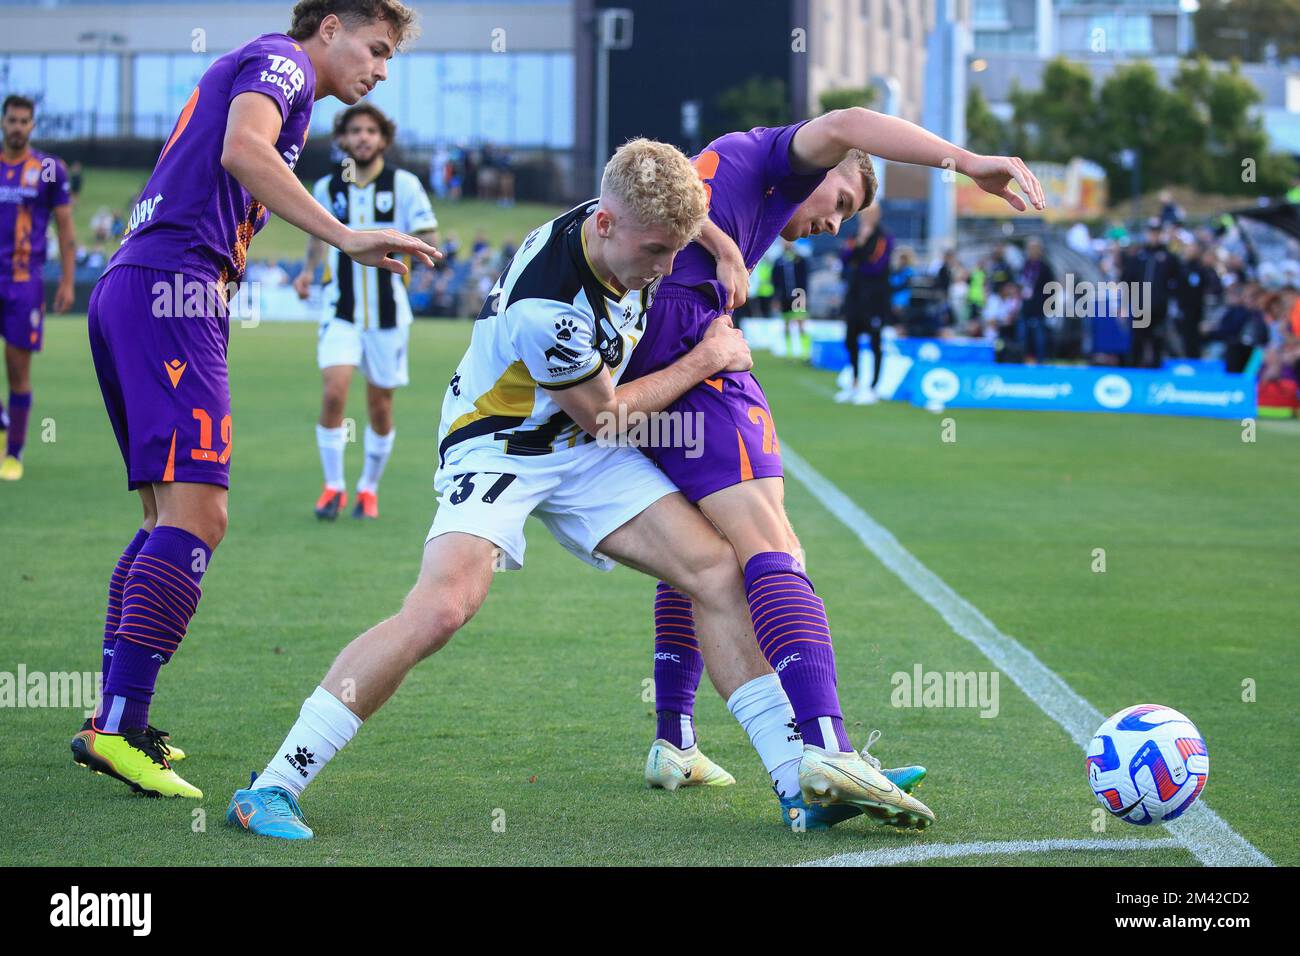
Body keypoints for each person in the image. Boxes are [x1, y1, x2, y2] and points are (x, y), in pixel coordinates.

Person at [226, 138, 916, 839]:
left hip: (579, 444)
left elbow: (682, 210)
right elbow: (611, 416)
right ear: (608, 225)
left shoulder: (628, 214)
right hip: (506, 444)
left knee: (715, 571)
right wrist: (710, 355)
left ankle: (798, 784)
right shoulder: (549, 309)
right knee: (442, 609)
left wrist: (721, 245)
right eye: (655, 253)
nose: (666, 269)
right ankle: (274, 783)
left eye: (676, 249)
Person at [617, 110, 1043, 822]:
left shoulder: (724, 177)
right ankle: (828, 747)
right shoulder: (779, 159)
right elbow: (848, 121)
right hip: (695, 347)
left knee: (701, 559)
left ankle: (675, 740)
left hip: (642, 362)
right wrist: (967, 162)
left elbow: (672, 184)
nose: (838, 223)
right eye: (843, 201)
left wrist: (721, 243)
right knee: (775, 548)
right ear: (831, 167)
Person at [72, 0, 439, 799]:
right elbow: (243, 149)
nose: (380, 71)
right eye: (376, 49)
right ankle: (119, 727)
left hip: (141, 288)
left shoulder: (279, 83)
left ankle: (115, 719)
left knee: (165, 520)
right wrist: (343, 235)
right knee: (201, 518)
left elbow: (232, 161)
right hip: (173, 289)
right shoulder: (282, 61)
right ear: (331, 27)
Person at [295, 103, 438, 520]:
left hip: (388, 317)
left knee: (379, 407)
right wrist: (307, 272)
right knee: (334, 393)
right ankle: (332, 487)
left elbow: (429, 231)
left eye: (370, 131)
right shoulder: (328, 188)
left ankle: (369, 488)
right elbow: (317, 238)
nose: (362, 137)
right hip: (340, 312)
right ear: (342, 139)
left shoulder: (405, 185)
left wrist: (413, 244)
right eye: (354, 130)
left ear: (383, 139)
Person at [0, 94, 77, 480]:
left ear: (32, 125)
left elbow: (65, 229)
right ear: (3, 122)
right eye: (12, 120)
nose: (17, 127)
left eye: (24, 121)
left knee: (17, 370)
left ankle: (12, 454)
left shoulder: (49, 170)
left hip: (23, 284)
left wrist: (66, 280)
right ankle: (2, 421)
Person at [838, 202, 892, 404]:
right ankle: (854, 383)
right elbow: (844, 260)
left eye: (870, 214)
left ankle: (873, 387)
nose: (866, 218)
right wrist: (859, 246)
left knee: (875, 342)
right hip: (854, 298)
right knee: (851, 341)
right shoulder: (854, 236)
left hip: (876, 300)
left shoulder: (884, 238)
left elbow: (876, 267)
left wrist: (857, 260)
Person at [1017, 237, 1055, 364]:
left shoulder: (1045, 268)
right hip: (1026, 307)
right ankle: (1024, 360)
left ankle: (1041, 362)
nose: (1032, 251)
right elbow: (1021, 284)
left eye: (1035, 248)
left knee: (1040, 337)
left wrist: (1049, 307)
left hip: (1039, 308)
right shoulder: (1025, 265)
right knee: (1023, 336)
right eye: (1030, 248)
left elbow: (1051, 289)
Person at [770, 238, 809, 358]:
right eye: (784, 241)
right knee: (786, 325)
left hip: (798, 295)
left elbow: (805, 279)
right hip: (784, 297)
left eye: (788, 241)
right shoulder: (778, 261)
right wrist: (776, 298)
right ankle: (789, 353)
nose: (786, 243)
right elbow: (775, 281)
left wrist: (805, 296)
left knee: (800, 324)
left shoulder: (800, 259)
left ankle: (805, 353)